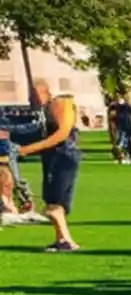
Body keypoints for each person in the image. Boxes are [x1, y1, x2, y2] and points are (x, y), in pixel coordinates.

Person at [0, 79, 81, 251]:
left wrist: (27, 150)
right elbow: (33, 131)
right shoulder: (44, 111)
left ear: (41, 92)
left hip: (63, 156)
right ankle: (62, 240)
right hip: (53, 156)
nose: (31, 101)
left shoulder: (60, 103)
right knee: (52, 201)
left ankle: (67, 241)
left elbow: (62, 134)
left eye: (32, 96)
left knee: (55, 203)